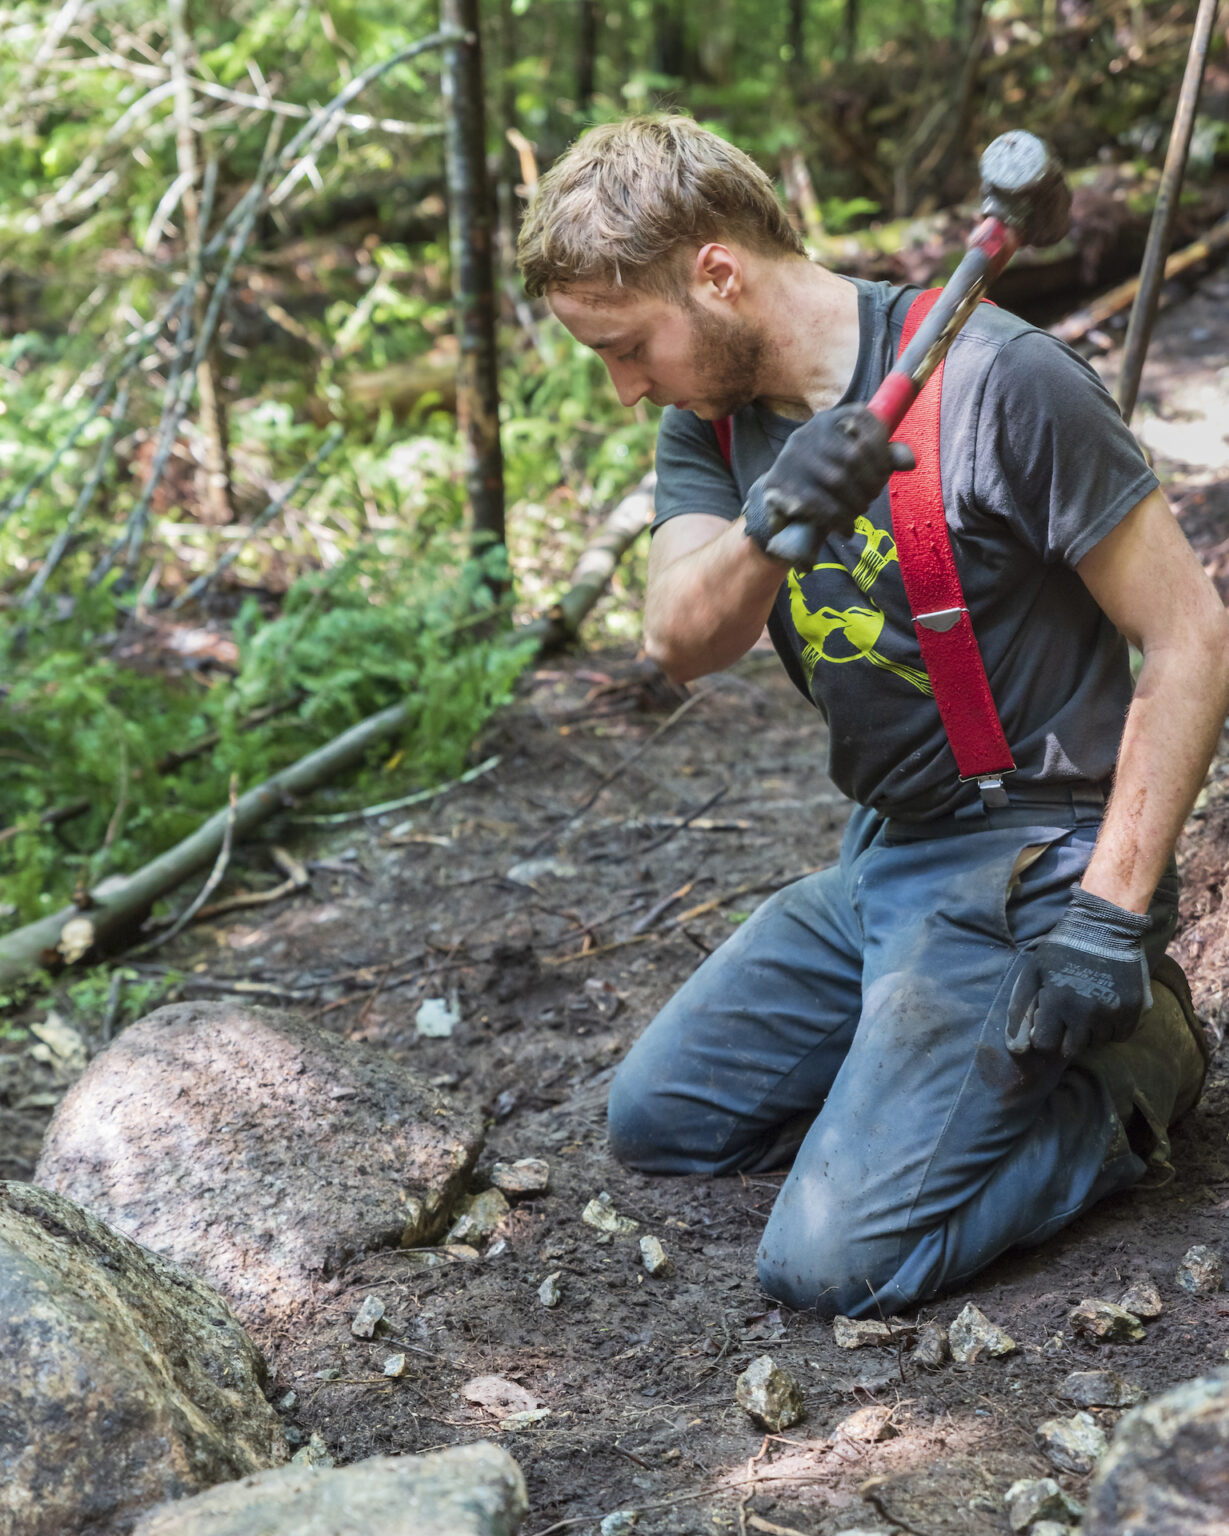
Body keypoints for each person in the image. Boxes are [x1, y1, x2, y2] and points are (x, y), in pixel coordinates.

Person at [516, 115, 1229, 1318]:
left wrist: (1108, 915)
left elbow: (1192, 636)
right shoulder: (714, 429)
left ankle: (1128, 1075)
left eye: (628, 346)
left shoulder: (1000, 381)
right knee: (659, 1119)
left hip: (1027, 859)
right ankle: (931, 1066)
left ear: (717, 273)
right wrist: (767, 521)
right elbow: (680, 638)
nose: (626, 382)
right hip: (888, 857)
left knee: (831, 1266)